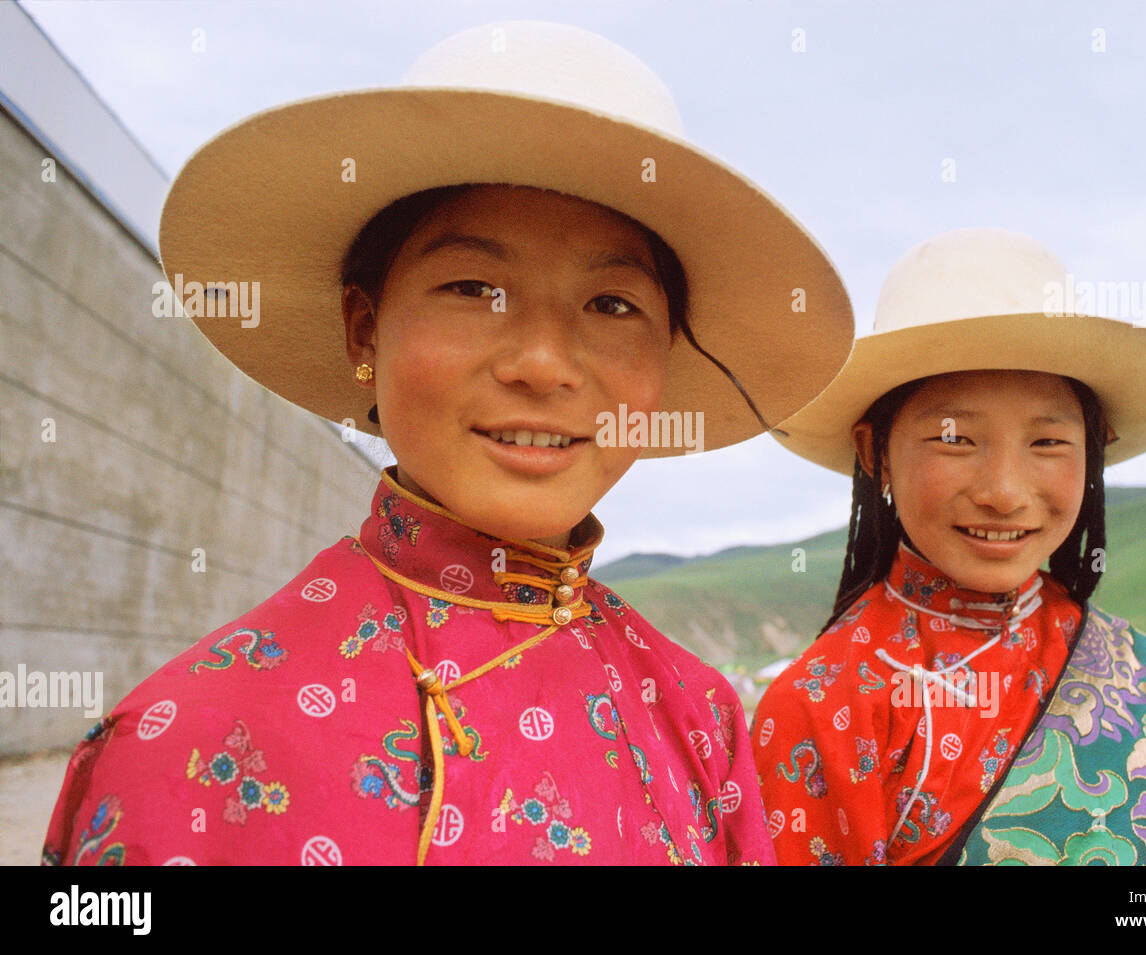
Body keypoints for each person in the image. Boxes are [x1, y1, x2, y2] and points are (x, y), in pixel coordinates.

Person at [42, 21, 854, 866]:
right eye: (473, 287)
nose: (543, 364)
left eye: (613, 305)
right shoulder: (181, 743)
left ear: (662, 368)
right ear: (365, 331)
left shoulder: (699, 714)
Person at [753, 227, 1146, 865]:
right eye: (955, 439)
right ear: (875, 452)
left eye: (1047, 443)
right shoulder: (823, 706)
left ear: (1093, 454)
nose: (1005, 493)